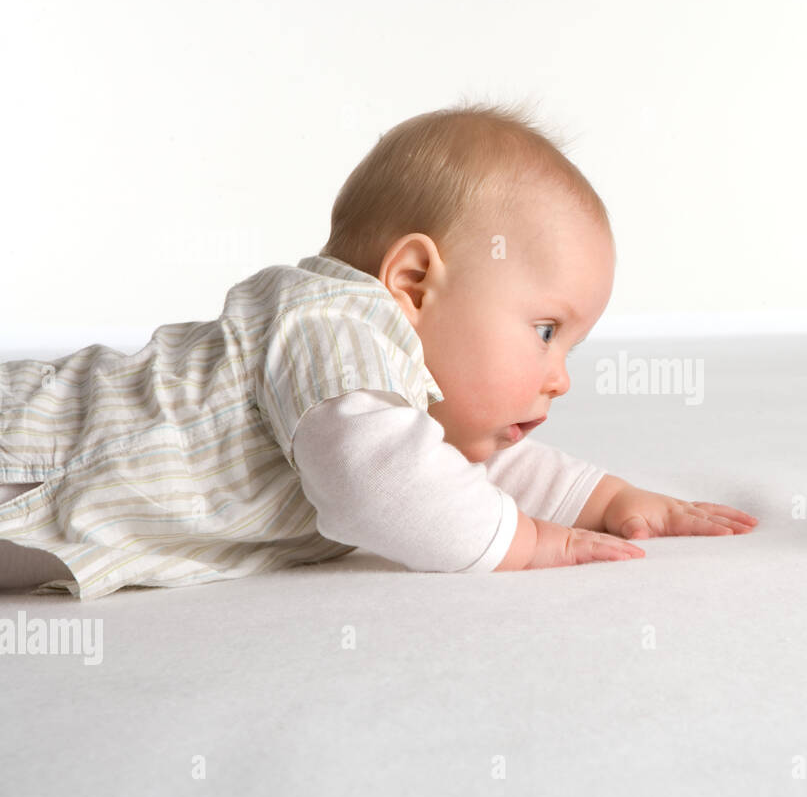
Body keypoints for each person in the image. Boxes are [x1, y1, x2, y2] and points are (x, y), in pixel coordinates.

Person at [0, 103, 757, 600]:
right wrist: (523, 542)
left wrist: (606, 502)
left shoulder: (408, 403)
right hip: (29, 453)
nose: (559, 379)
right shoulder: (332, 324)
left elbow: (457, 466)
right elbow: (383, 479)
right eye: (546, 331)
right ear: (415, 281)